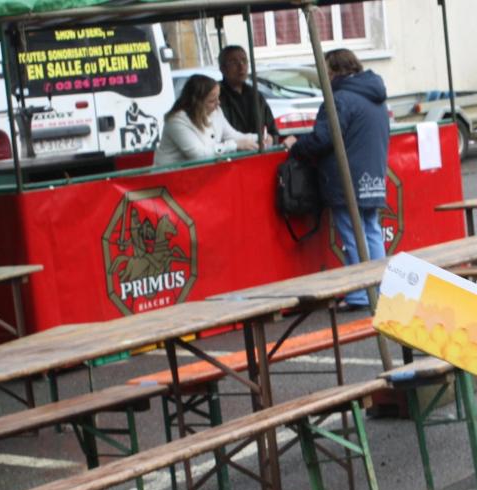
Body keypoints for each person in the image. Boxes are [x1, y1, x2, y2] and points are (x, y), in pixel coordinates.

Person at [284, 49, 389, 311]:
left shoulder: (340, 98)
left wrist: (296, 145)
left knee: (354, 236)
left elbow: (324, 138)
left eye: (326, 72)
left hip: (346, 178)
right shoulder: (374, 95)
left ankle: (359, 295)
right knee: (372, 231)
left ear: (334, 71)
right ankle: (380, 288)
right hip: (372, 174)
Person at [154, 74, 258, 166]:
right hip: (169, 179)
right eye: (212, 101)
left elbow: (233, 135)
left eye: (218, 98)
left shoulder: (215, 112)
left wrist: (259, 138)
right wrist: (234, 145)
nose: (218, 103)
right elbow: (198, 155)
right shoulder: (176, 121)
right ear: (196, 102)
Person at [217, 45, 280, 144]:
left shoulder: (255, 95)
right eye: (234, 62)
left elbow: (273, 131)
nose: (241, 66)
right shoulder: (216, 97)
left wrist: (271, 139)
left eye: (244, 61)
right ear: (223, 69)